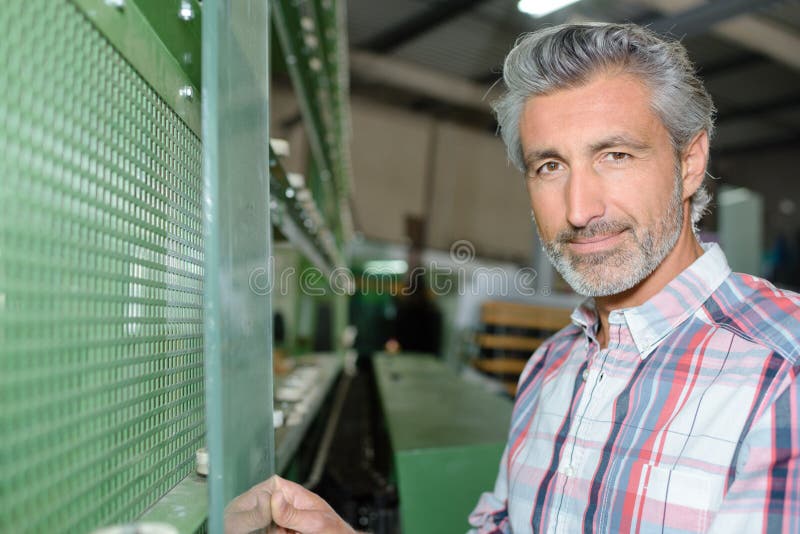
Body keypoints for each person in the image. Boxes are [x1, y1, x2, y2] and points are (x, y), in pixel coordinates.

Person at [227, 22, 800, 533]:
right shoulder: (552, 367)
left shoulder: (783, 377)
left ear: (690, 161)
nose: (578, 208)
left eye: (616, 155)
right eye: (549, 166)